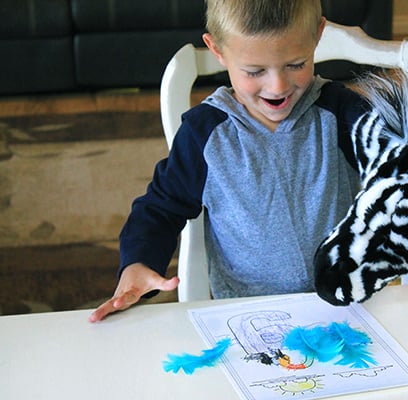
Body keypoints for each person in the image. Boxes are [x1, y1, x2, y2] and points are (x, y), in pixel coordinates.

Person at [89, 0, 369, 322]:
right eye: (255, 71)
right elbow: (160, 208)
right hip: (247, 316)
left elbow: (400, 169)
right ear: (217, 49)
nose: (278, 86)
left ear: (318, 35)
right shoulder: (204, 134)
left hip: (349, 306)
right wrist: (139, 263)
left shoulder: (342, 111)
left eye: (296, 64)